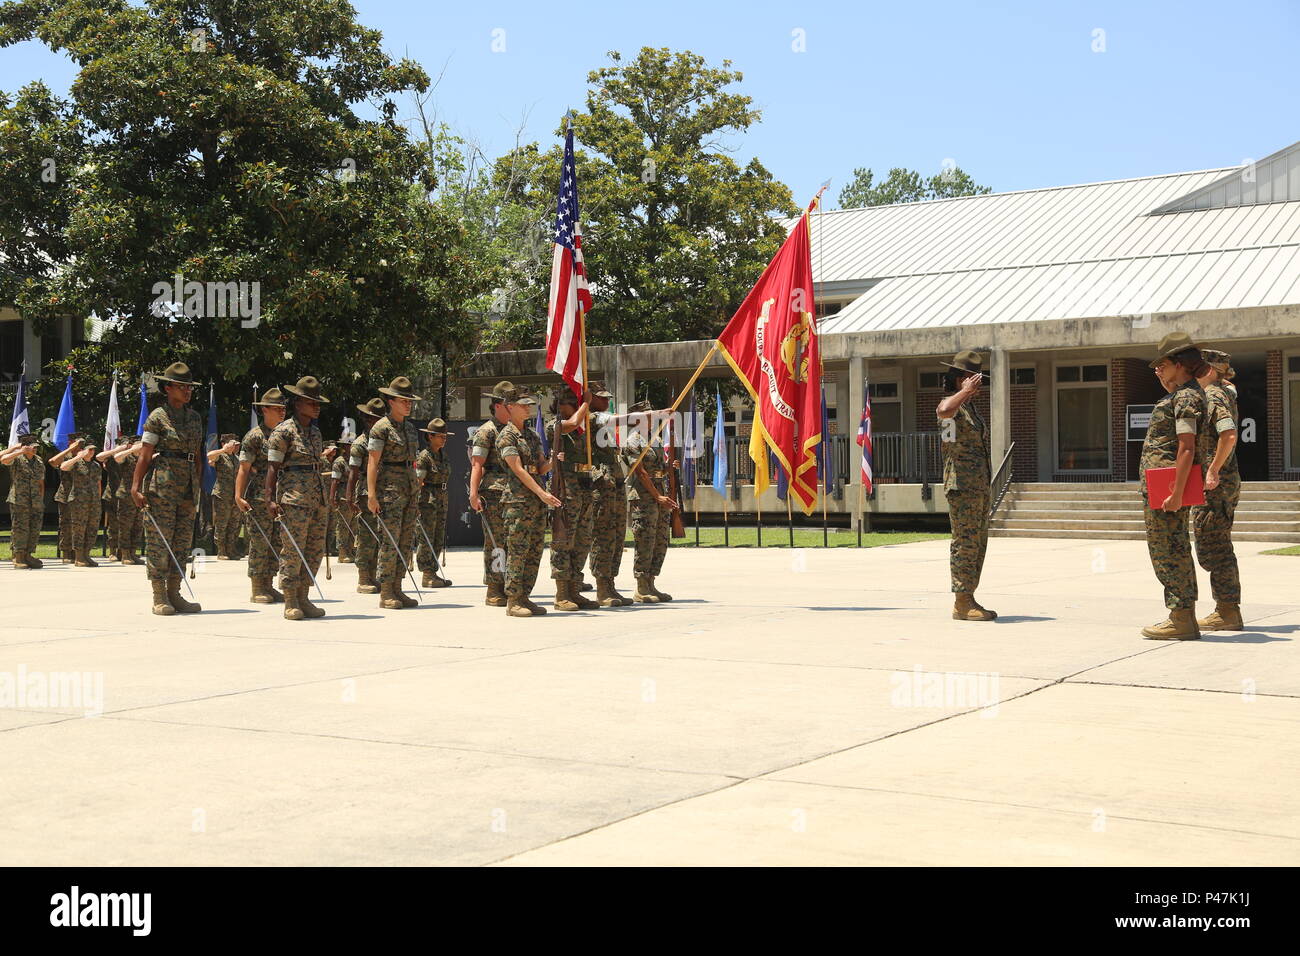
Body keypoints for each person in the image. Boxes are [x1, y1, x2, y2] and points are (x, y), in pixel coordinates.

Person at [1140, 332, 1215, 640]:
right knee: (1174, 547)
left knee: (1168, 549)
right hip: (1165, 484)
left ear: (1179, 364)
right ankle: (1183, 615)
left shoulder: (1185, 398)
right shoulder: (1183, 394)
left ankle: (1181, 616)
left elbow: (1186, 447)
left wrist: (1175, 492)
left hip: (1167, 487)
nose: (1157, 370)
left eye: (1163, 364)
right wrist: (1170, 389)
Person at [129, 362, 205, 616]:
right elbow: (145, 453)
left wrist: (199, 487)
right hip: (162, 484)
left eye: (190, 387)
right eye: (182, 386)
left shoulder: (194, 418)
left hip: (188, 486)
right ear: (168, 388)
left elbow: (198, 455)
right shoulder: (157, 417)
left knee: (182, 541)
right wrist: (135, 487)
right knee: (160, 541)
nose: (187, 391)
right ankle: (159, 595)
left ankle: (175, 592)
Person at [936, 350, 996, 621]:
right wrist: (964, 392)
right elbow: (943, 410)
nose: (979, 384)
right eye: (975, 378)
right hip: (961, 486)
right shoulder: (952, 405)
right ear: (961, 379)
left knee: (977, 542)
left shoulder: (969, 407)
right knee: (965, 542)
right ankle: (961, 601)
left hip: (978, 485)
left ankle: (969, 597)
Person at [266, 377, 331, 621]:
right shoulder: (283, 431)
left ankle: (304, 596)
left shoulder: (315, 432)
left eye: (317, 403)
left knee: (314, 550)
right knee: (292, 550)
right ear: (297, 403)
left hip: (317, 497)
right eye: (310, 402)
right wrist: (270, 499)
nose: (316, 407)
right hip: (293, 498)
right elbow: (272, 467)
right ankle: (291, 600)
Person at [495, 385, 560, 617]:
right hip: (517, 501)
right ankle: (513, 600)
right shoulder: (506, 436)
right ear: (509, 408)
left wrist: (553, 461)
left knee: (534, 550)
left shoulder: (532, 435)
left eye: (529, 405)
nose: (528, 409)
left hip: (535, 501)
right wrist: (542, 493)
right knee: (518, 550)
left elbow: (540, 468)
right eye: (523, 405)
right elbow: (519, 470)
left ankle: (525, 596)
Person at [1193, 348, 1243, 631]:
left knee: (1214, 545)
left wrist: (1212, 469)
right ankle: (1226, 609)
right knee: (1216, 543)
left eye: (1199, 369)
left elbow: (1229, 434)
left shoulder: (1214, 394)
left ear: (1210, 370)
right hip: (1222, 481)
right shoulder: (1224, 391)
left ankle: (1226, 611)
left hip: (1216, 484)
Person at [367, 377, 422, 610]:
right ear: (390, 401)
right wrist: (371, 495)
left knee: (405, 540)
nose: (408, 404)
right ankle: (387, 591)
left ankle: (398, 588)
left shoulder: (409, 428)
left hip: (409, 488)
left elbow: (413, 462)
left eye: (409, 400)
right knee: (390, 541)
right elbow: (372, 463)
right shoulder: (381, 427)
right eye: (403, 400)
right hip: (389, 489)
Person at [235, 388, 287, 603]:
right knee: (260, 541)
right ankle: (257, 587)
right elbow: (244, 468)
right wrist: (238, 496)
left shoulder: (286, 434)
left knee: (276, 541)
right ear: (264, 409)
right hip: (259, 496)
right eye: (277, 408)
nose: (282, 412)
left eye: (283, 408)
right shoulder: (255, 436)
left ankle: (269, 583)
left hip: (281, 495)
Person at [548, 390, 598, 610]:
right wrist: (586, 403)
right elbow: (573, 421)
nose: (576, 406)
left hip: (583, 488)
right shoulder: (555, 426)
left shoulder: (580, 432)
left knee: (582, 541)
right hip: (565, 491)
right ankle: (561, 594)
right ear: (561, 405)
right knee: (563, 542)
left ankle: (575, 590)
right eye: (572, 403)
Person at [585, 382, 632, 606]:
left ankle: (611, 583)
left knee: (616, 534)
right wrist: (648, 415)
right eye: (601, 398)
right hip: (602, 484)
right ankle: (602, 587)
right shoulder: (591, 418)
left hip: (615, 482)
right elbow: (615, 419)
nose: (606, 402)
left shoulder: (606, 427)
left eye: (608, 398)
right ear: (591, 398)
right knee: (603, 535)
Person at [469, 381, 514, 607]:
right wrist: (474, 494)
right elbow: (477, 464)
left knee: (512, 541)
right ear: (497, 405)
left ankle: (509, 584)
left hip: (514, 492)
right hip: (494, 492)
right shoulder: (486, 431)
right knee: (496, 542)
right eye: (509, 403)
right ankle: (494, 588)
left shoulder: (515, 430)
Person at [346, 397, 385, 594]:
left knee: (380, 535)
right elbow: (353, 472)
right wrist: (349, 497)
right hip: (364, 493)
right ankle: (363, 577)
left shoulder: (384, 439)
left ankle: (373, 575)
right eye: (372, 419)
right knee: (366, 536)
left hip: (383, 492)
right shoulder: (360, 443)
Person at [415, 418, 452, 588]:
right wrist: (415, 504)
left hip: (441, 498)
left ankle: (433, 572)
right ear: (430, 436)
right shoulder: (424, 457)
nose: (444, 439)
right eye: (440, 436)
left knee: (438, 537)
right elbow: (418, 481)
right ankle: (427, 574)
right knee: (426, 537)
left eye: (445, 435)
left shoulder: (443, 454)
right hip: (427, 500)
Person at [2, 432, 45, 568]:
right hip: (19, 500)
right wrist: (18, 451)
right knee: (20, 528)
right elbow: (4, 460)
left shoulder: (38, 461)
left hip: (36, 501)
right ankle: (18, 556)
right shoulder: (17, 458)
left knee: (34, 528)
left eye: (36, 447)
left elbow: (40, 482)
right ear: (25, 447)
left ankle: (28, 555)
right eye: (32, 447)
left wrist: (41, 500)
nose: (34, 449)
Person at [59, 435, 103, 567]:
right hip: (79, 501)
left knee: (92, 528)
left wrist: (98, 500)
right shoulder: (76, 462)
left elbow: (99, 483)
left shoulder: (96, 465)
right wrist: (78, 456)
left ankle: (86, 554)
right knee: (79, 529)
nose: (91, 452)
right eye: (89, 450)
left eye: (93, 450)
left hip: (94, 501)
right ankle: (78, 557)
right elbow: (63, 467)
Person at [207, 433, 241, 559]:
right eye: (233, 444)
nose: (235, 447)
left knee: (234, 523)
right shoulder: (221, 456)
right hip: (222, 495)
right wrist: (223, 450)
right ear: (224, 444)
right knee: (222, 523)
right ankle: (221, 551)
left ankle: (231, 549)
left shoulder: (236, 458)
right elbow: (209, 456)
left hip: (234, 496)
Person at [112, 435, 144, 564]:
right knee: (125, 526)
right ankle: (124, 554)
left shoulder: (143, 459)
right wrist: (131, 449)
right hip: (126, 496)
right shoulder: (127, 457)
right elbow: (116, 457)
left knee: (138, 526)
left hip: (140, 496)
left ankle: (132, 552)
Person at [95, 437, 128, 560]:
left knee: (125, 525)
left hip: (126, 495)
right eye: (123, 445)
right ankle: (112, 551)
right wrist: (116, 450)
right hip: (112, 495)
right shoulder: (110, 457)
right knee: (113, 524)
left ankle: (124, 551)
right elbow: (99, 457)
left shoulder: (129, 457)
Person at [329, 437, 355, 564]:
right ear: (344, 448)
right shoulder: (339, 462)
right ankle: (342, 552)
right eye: (348, 446)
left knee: (353, 526)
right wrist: (332, 497)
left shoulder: (354, 460)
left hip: (354, 497)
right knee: (343, 525)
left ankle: (350, 550)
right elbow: (335, 480)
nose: (350, 448)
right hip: (343, 497)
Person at [48, 440, 75, 562]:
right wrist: (69, 450)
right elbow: (52, 462)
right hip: (65, 496)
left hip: (80, 497)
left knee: (79, 525)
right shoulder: (65, 457)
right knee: (66, 525)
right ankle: (66, 553)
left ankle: (78, 551)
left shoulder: (83, 457)